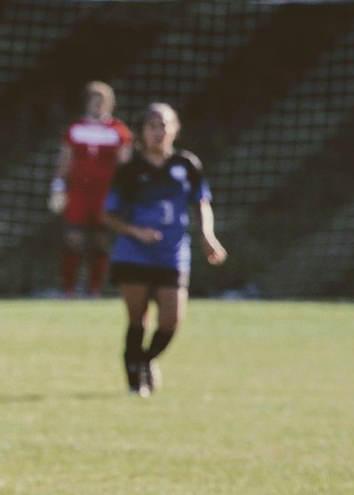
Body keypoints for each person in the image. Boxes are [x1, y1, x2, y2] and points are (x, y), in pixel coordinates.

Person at [100, 102, 226, 397]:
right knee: (137, 318)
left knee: (171, 321)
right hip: (134, 253)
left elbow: (201, 203)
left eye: (165, 125)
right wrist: (137, 232)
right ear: (141, 132)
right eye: (153, 126)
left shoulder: (186, 165)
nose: (160, 131)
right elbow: (108, 215)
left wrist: (208, 235)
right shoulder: (130, 170)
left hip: (172, 252)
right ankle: (134, 381)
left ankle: (144, 360)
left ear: (175, 128)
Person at [50, 81, 134, 297]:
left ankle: (94, 289)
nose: (98, 106)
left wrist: (125, 194)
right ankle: (68, 289)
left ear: (110, 104)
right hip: (78, 193)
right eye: (94, 101)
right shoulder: (75, 129)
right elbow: (64, 160)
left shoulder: (118, 131)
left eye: (103, 102)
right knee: (73, 239)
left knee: (100, 240)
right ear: (87, 103)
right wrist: (58, 187)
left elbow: (125, 165)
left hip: (105, 195)